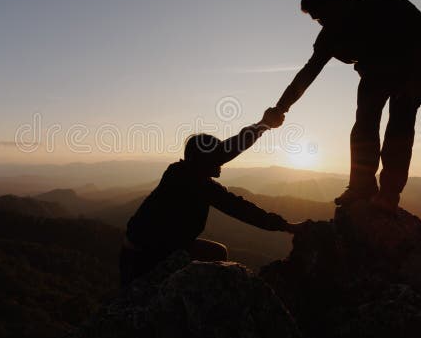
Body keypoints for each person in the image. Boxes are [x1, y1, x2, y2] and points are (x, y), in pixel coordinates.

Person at [266, 0, 421, 212]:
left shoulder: (385, 2)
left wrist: (414, 80)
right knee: (364, 124)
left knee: (400, 127)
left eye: (322, 15)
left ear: (339, 1)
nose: (322, 22)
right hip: (374, 71)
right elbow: (309, 72)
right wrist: (280, 107)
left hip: (412, 64)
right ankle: (361, 187)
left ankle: (388, 195)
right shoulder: (329, 35)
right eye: (317, 19)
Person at [120, 110, 298, 286]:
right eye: (217, 157)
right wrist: (283, 225)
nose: (222, 161)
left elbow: (225, 153)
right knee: (216, 257)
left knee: (216, 253)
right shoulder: (194, 182)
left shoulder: (181, 173)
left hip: (146, 248)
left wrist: (263, 125)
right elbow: (240, 208)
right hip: (144, 257)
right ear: (205, 160)